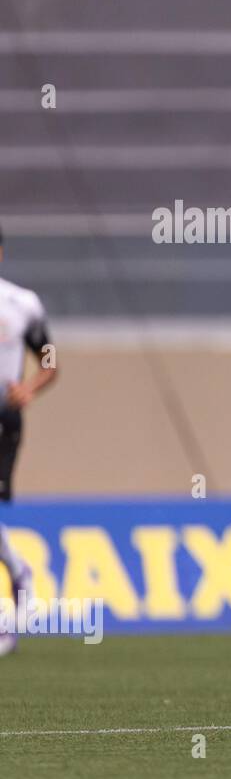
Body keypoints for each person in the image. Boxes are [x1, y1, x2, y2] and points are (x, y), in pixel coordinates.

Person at [0, 225, 59, 656]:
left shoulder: (20, 303)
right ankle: (18, 571)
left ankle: (18, 574)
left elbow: (50, 359)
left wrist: (31, 387)